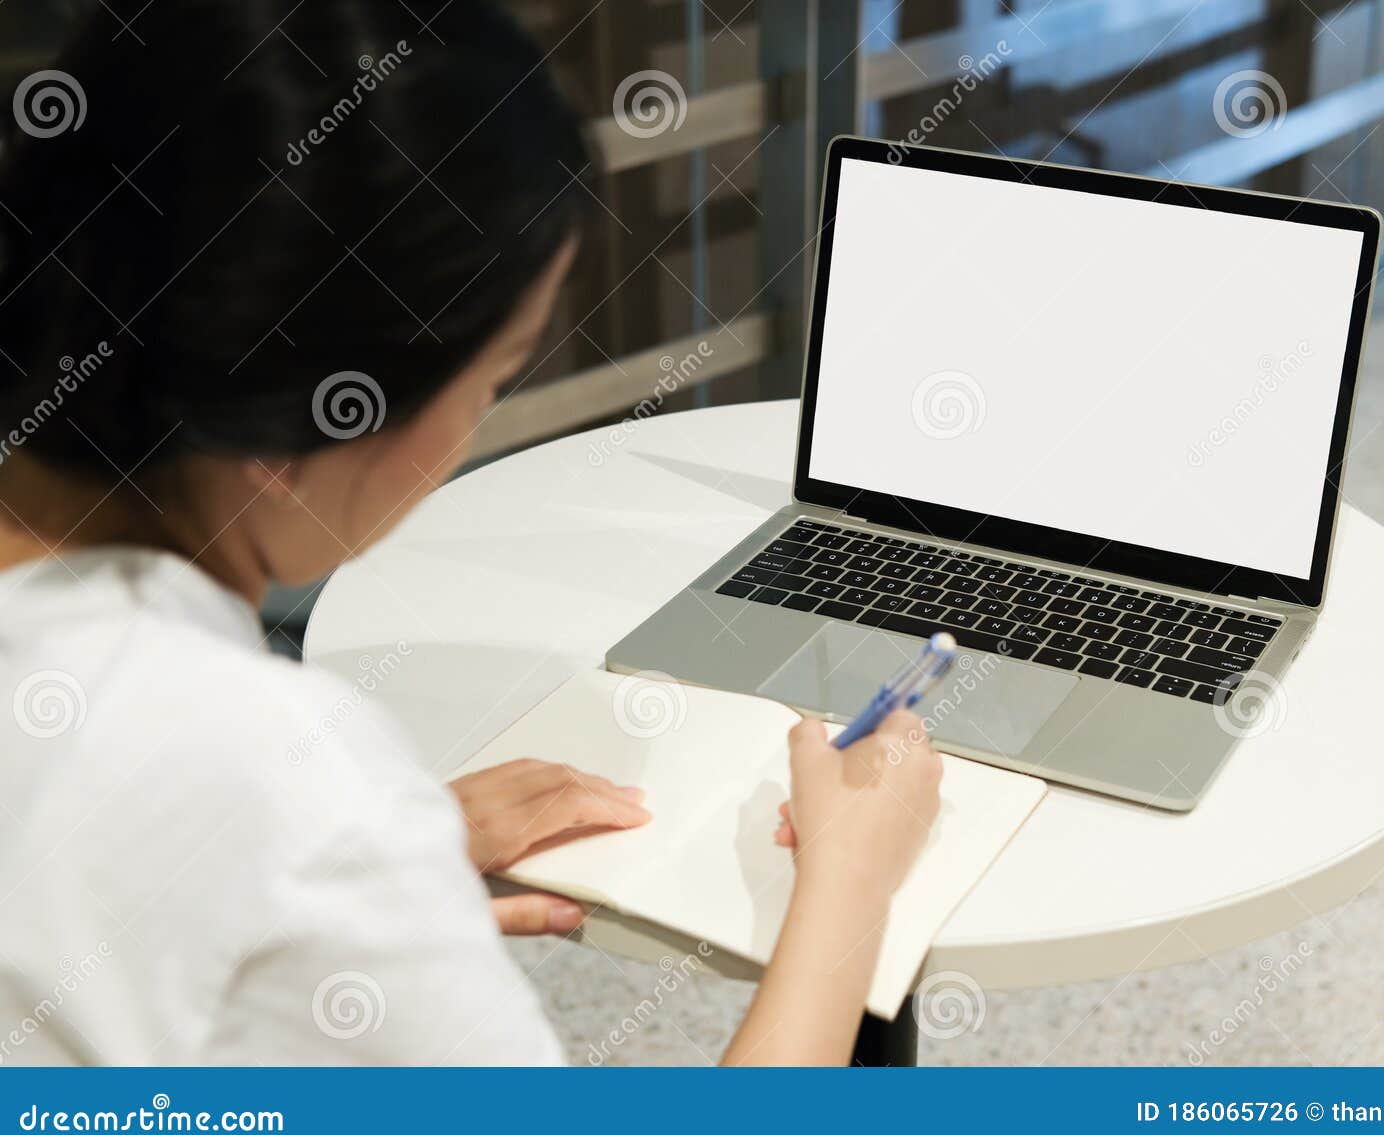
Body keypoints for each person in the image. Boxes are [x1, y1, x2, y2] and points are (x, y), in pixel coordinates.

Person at [0, 0, 942, 1066]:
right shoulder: (288, 782)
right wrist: (850, 884)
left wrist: (364, 874)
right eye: (497, 374)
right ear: (339, 400)